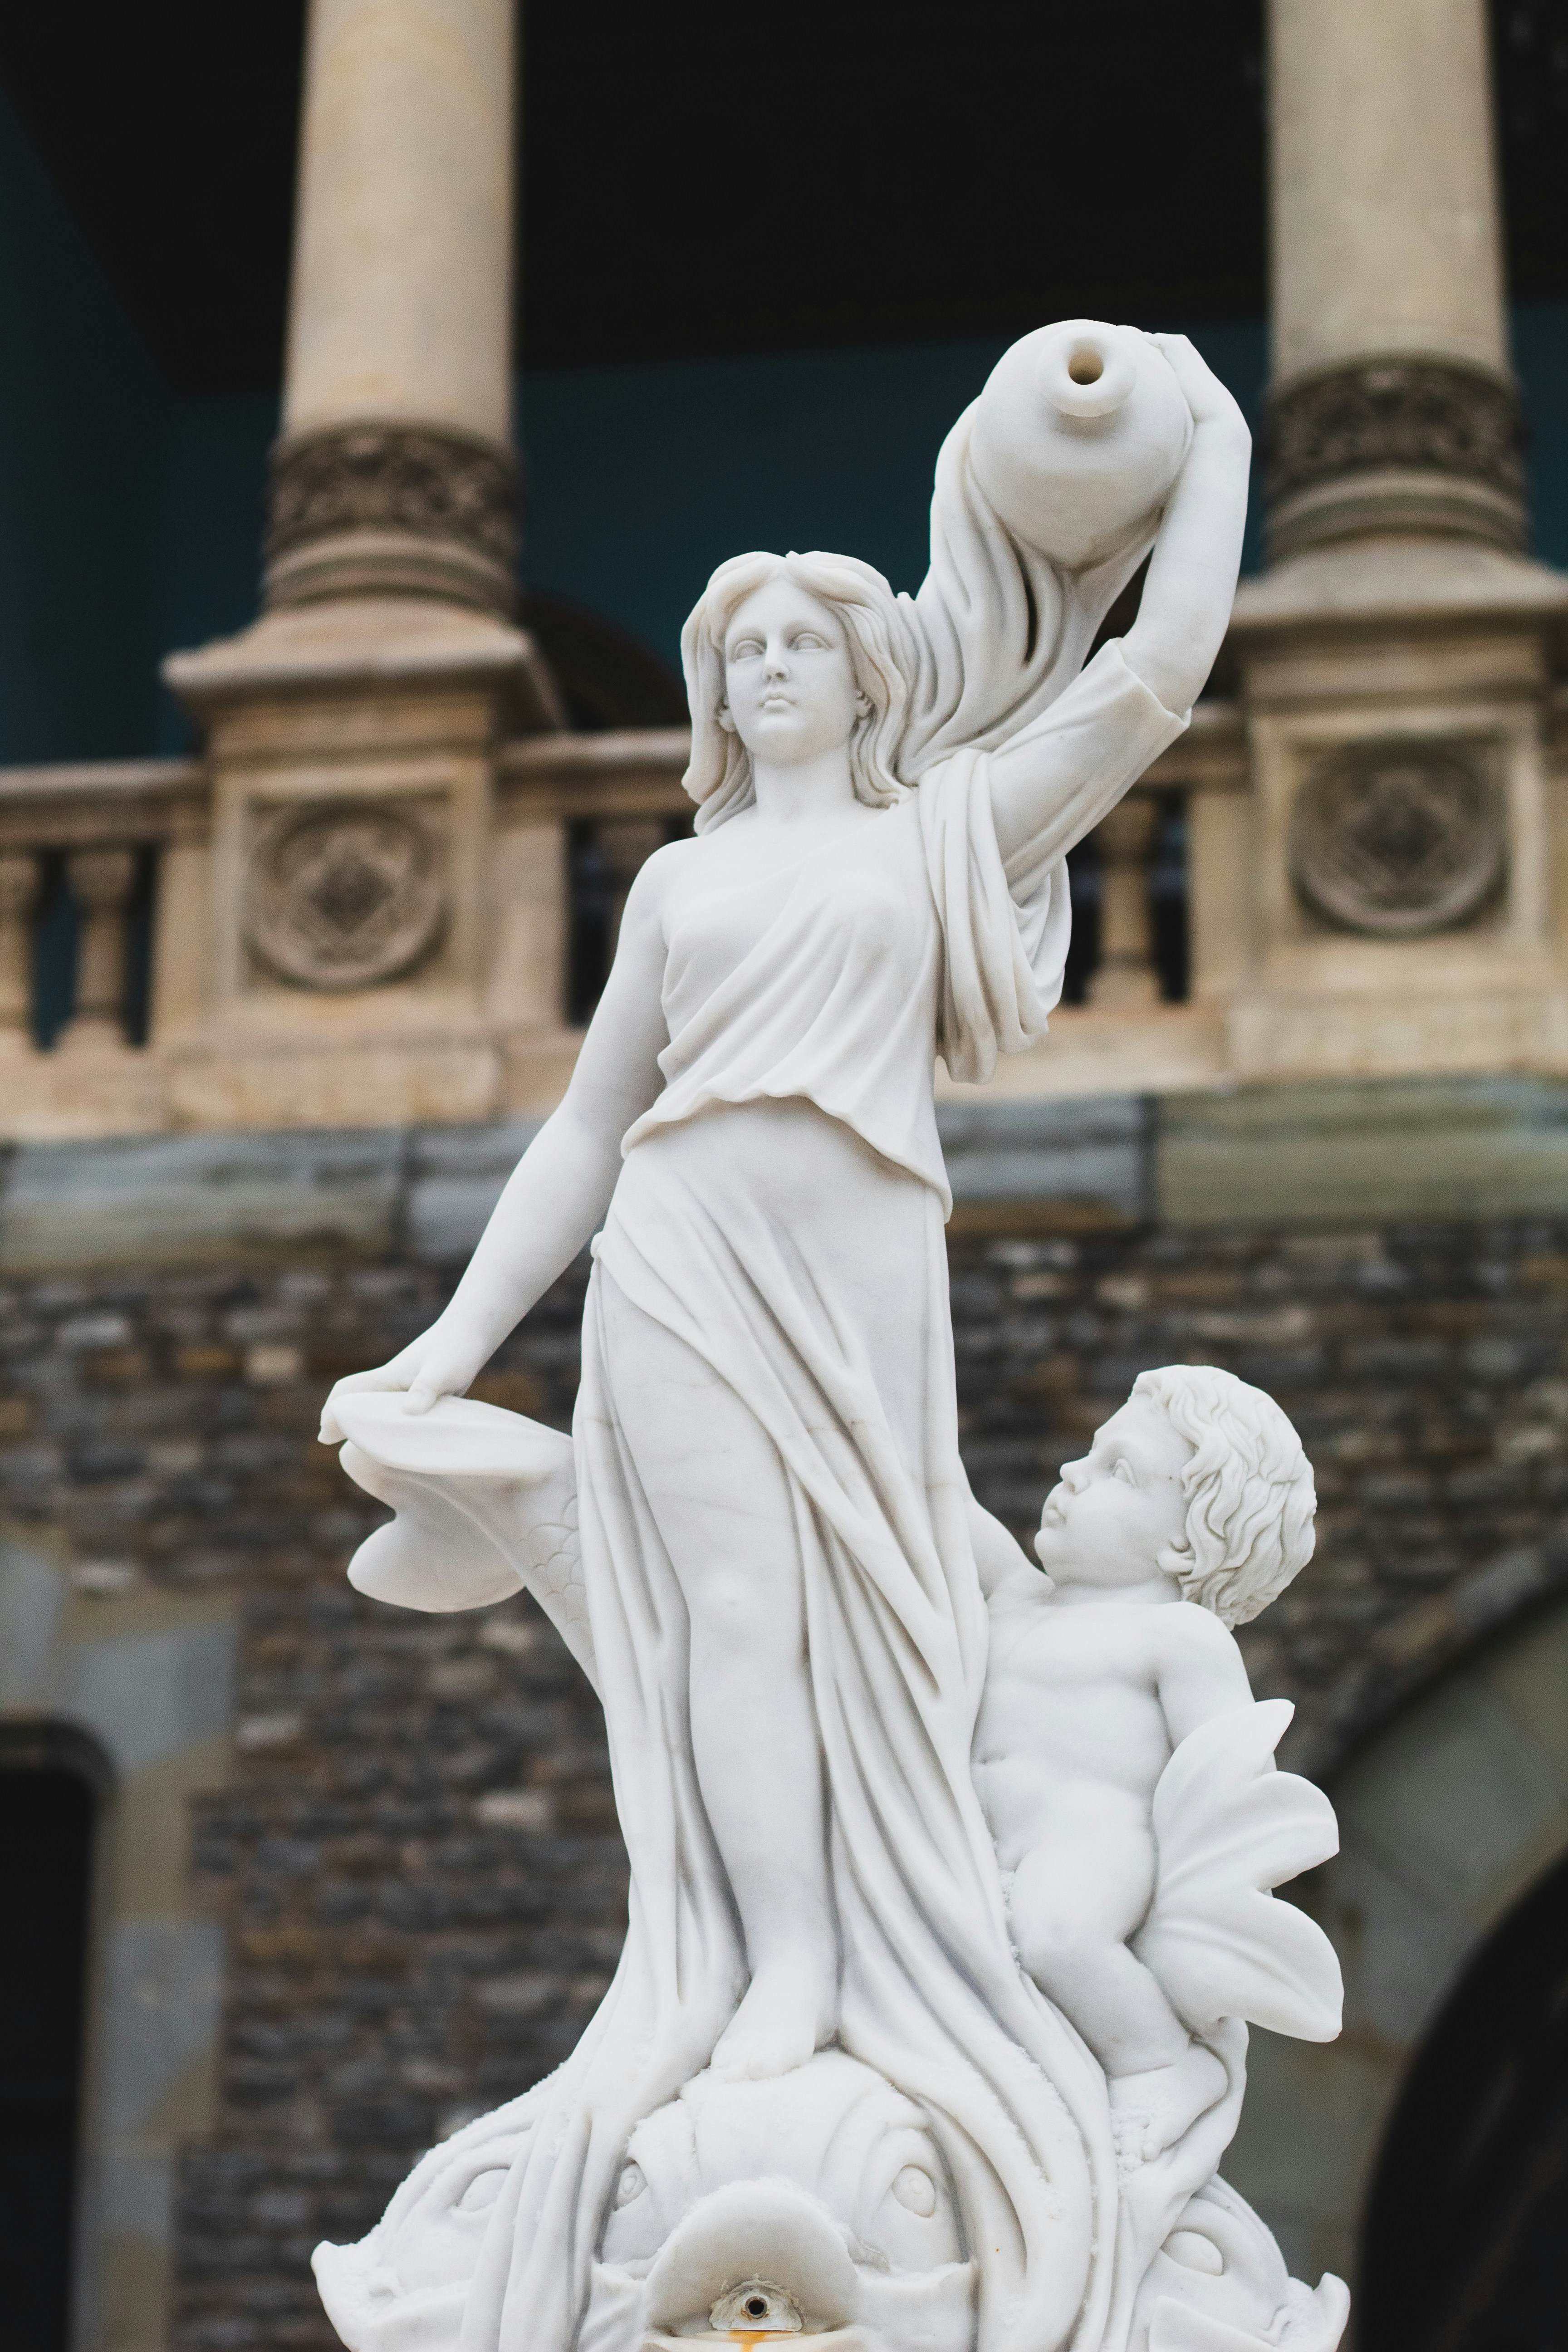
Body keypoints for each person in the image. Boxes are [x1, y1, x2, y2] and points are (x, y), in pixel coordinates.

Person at [317, 336, 1254, 2352]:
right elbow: (586, 1129)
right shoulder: (675, 882)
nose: (760, 673)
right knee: (735, 1617)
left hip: (856, 1257)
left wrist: (1219, 448)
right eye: (733, 653)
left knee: (890, 1616)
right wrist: (448, 1347)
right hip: (677, 1250)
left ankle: (882, 1964)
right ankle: (784, 1963)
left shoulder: (939, 838)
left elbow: (1148, 688)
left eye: (794, 646)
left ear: (860, 676)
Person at [972, 1365, 1334, 2171]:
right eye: (1090, 1453)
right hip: (986, 1849)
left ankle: (1160, 2061)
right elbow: (937, 1502)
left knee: (1059, 1935)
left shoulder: (1176, 1638)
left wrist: (1217, 1887)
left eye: (1119, 1472)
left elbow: (1226, 1772)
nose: (1073, 1473)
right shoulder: (1016, 1599)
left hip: (1093, 1846)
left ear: (1184, 1543)